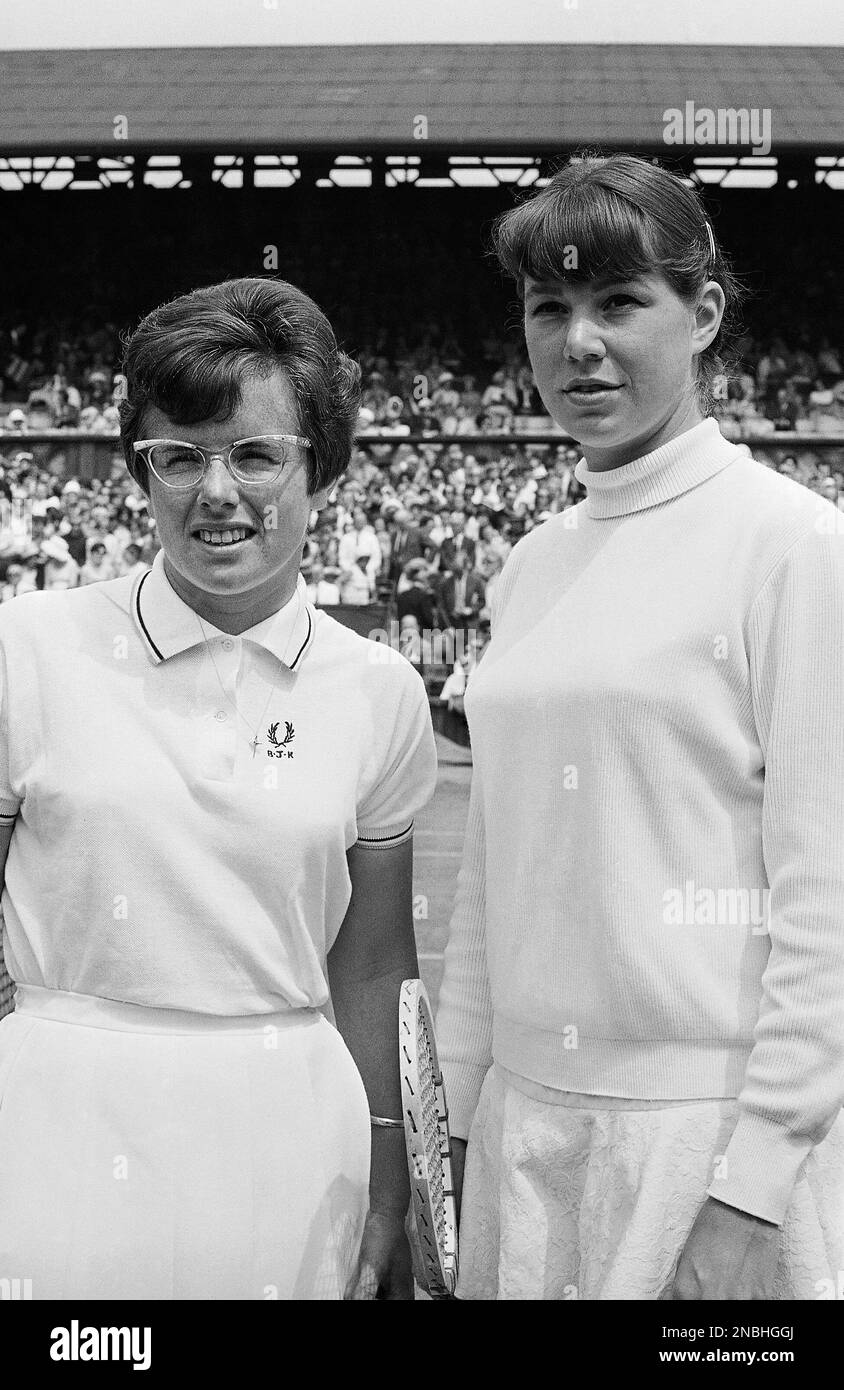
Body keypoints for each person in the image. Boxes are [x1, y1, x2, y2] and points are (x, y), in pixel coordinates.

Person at [436, 153, 844, 1301]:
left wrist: (754, 1187)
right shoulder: (528, 566)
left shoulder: (792, 547)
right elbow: (487, 882)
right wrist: (455, 1130)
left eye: (619, 303)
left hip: (704, 1146)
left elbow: (827, 894)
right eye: (548, 308)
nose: (579, 344)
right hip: (520, 1131)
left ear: (703, 313)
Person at [0, 277, 438, 1300]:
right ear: (139, 472)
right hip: (56, 1112)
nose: (217, 490)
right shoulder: (26, 647)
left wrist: (388, 1175)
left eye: (255, 454)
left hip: (287, 1125)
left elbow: (373, 971)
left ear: (319, 471)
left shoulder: (378, 693)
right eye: (179, 456)